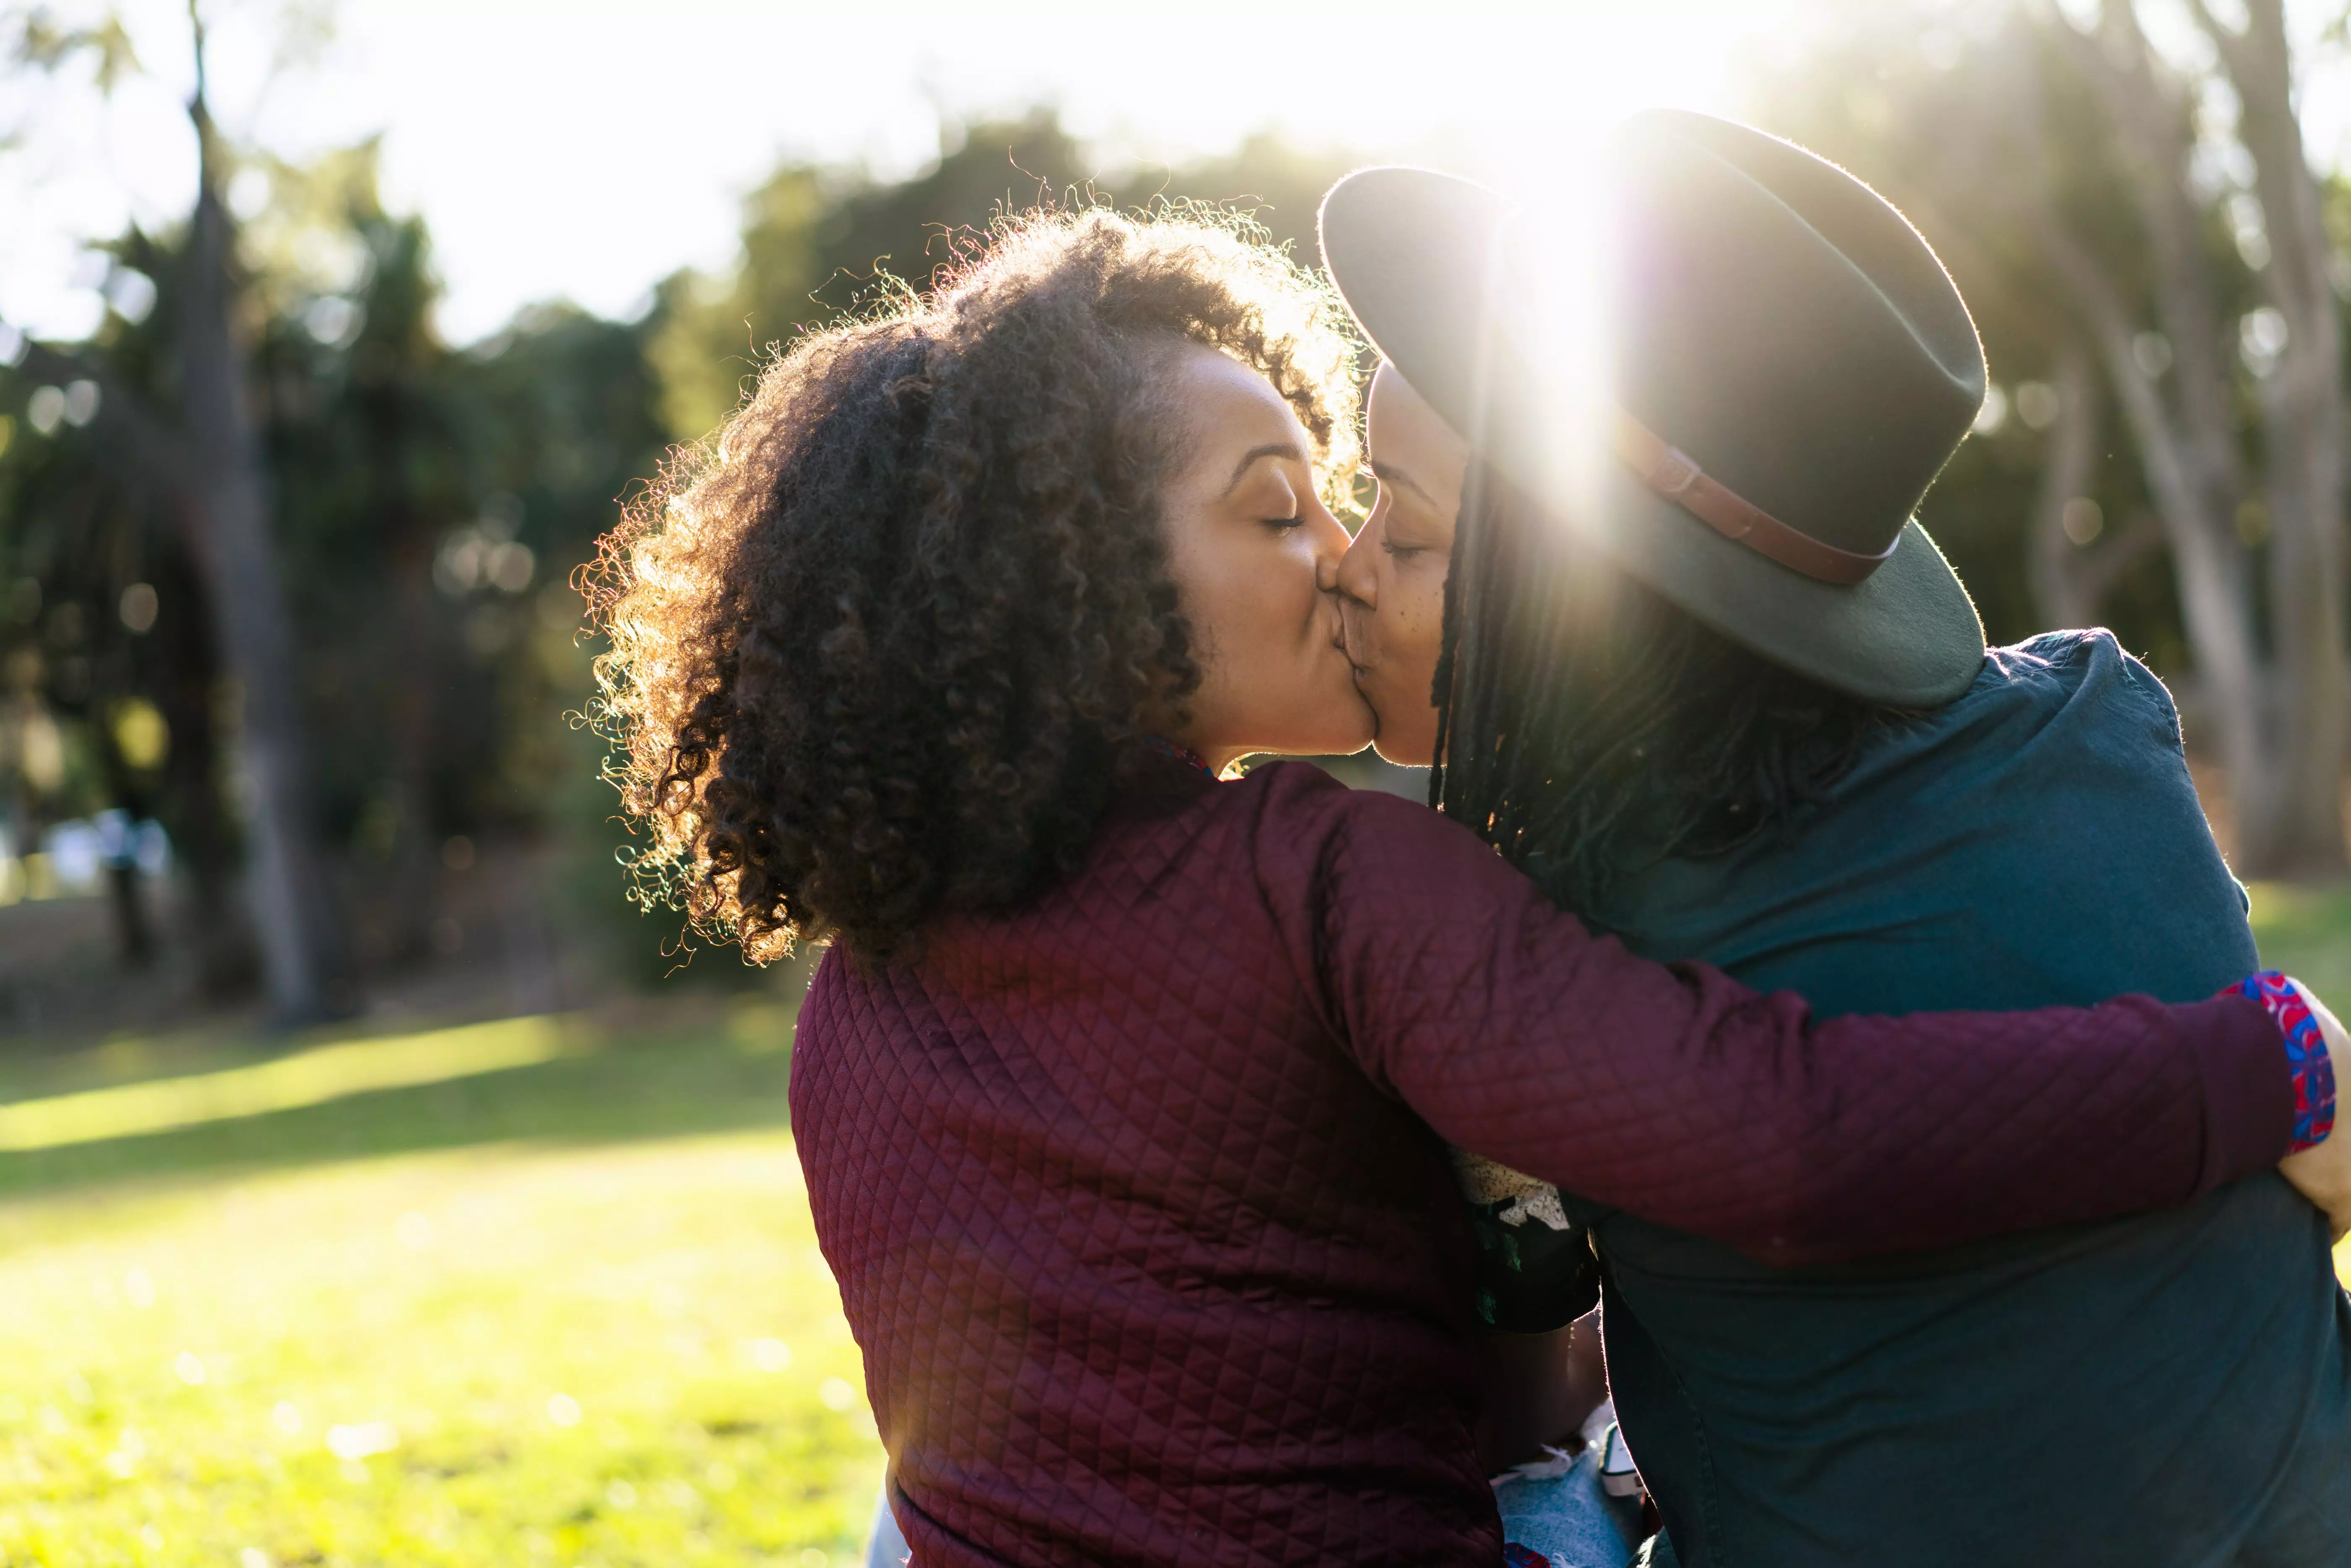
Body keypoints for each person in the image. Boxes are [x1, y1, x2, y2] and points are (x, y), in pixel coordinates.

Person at [587, 204, 2344, 1568]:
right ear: (1071, 603)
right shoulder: (1325, 880)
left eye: (1361, 513)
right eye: (1280, 513)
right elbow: (1777, 1137)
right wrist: (2248, 1066)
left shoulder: (850, 1012)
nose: (1341, 560)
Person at [1320, 110, 2351, 1566]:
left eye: (1405, 530)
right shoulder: (2097, 730)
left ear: (1569, 600)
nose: (1346, 569)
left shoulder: (1577, 932)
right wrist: (2287, 1059)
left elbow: (1772, 1163)